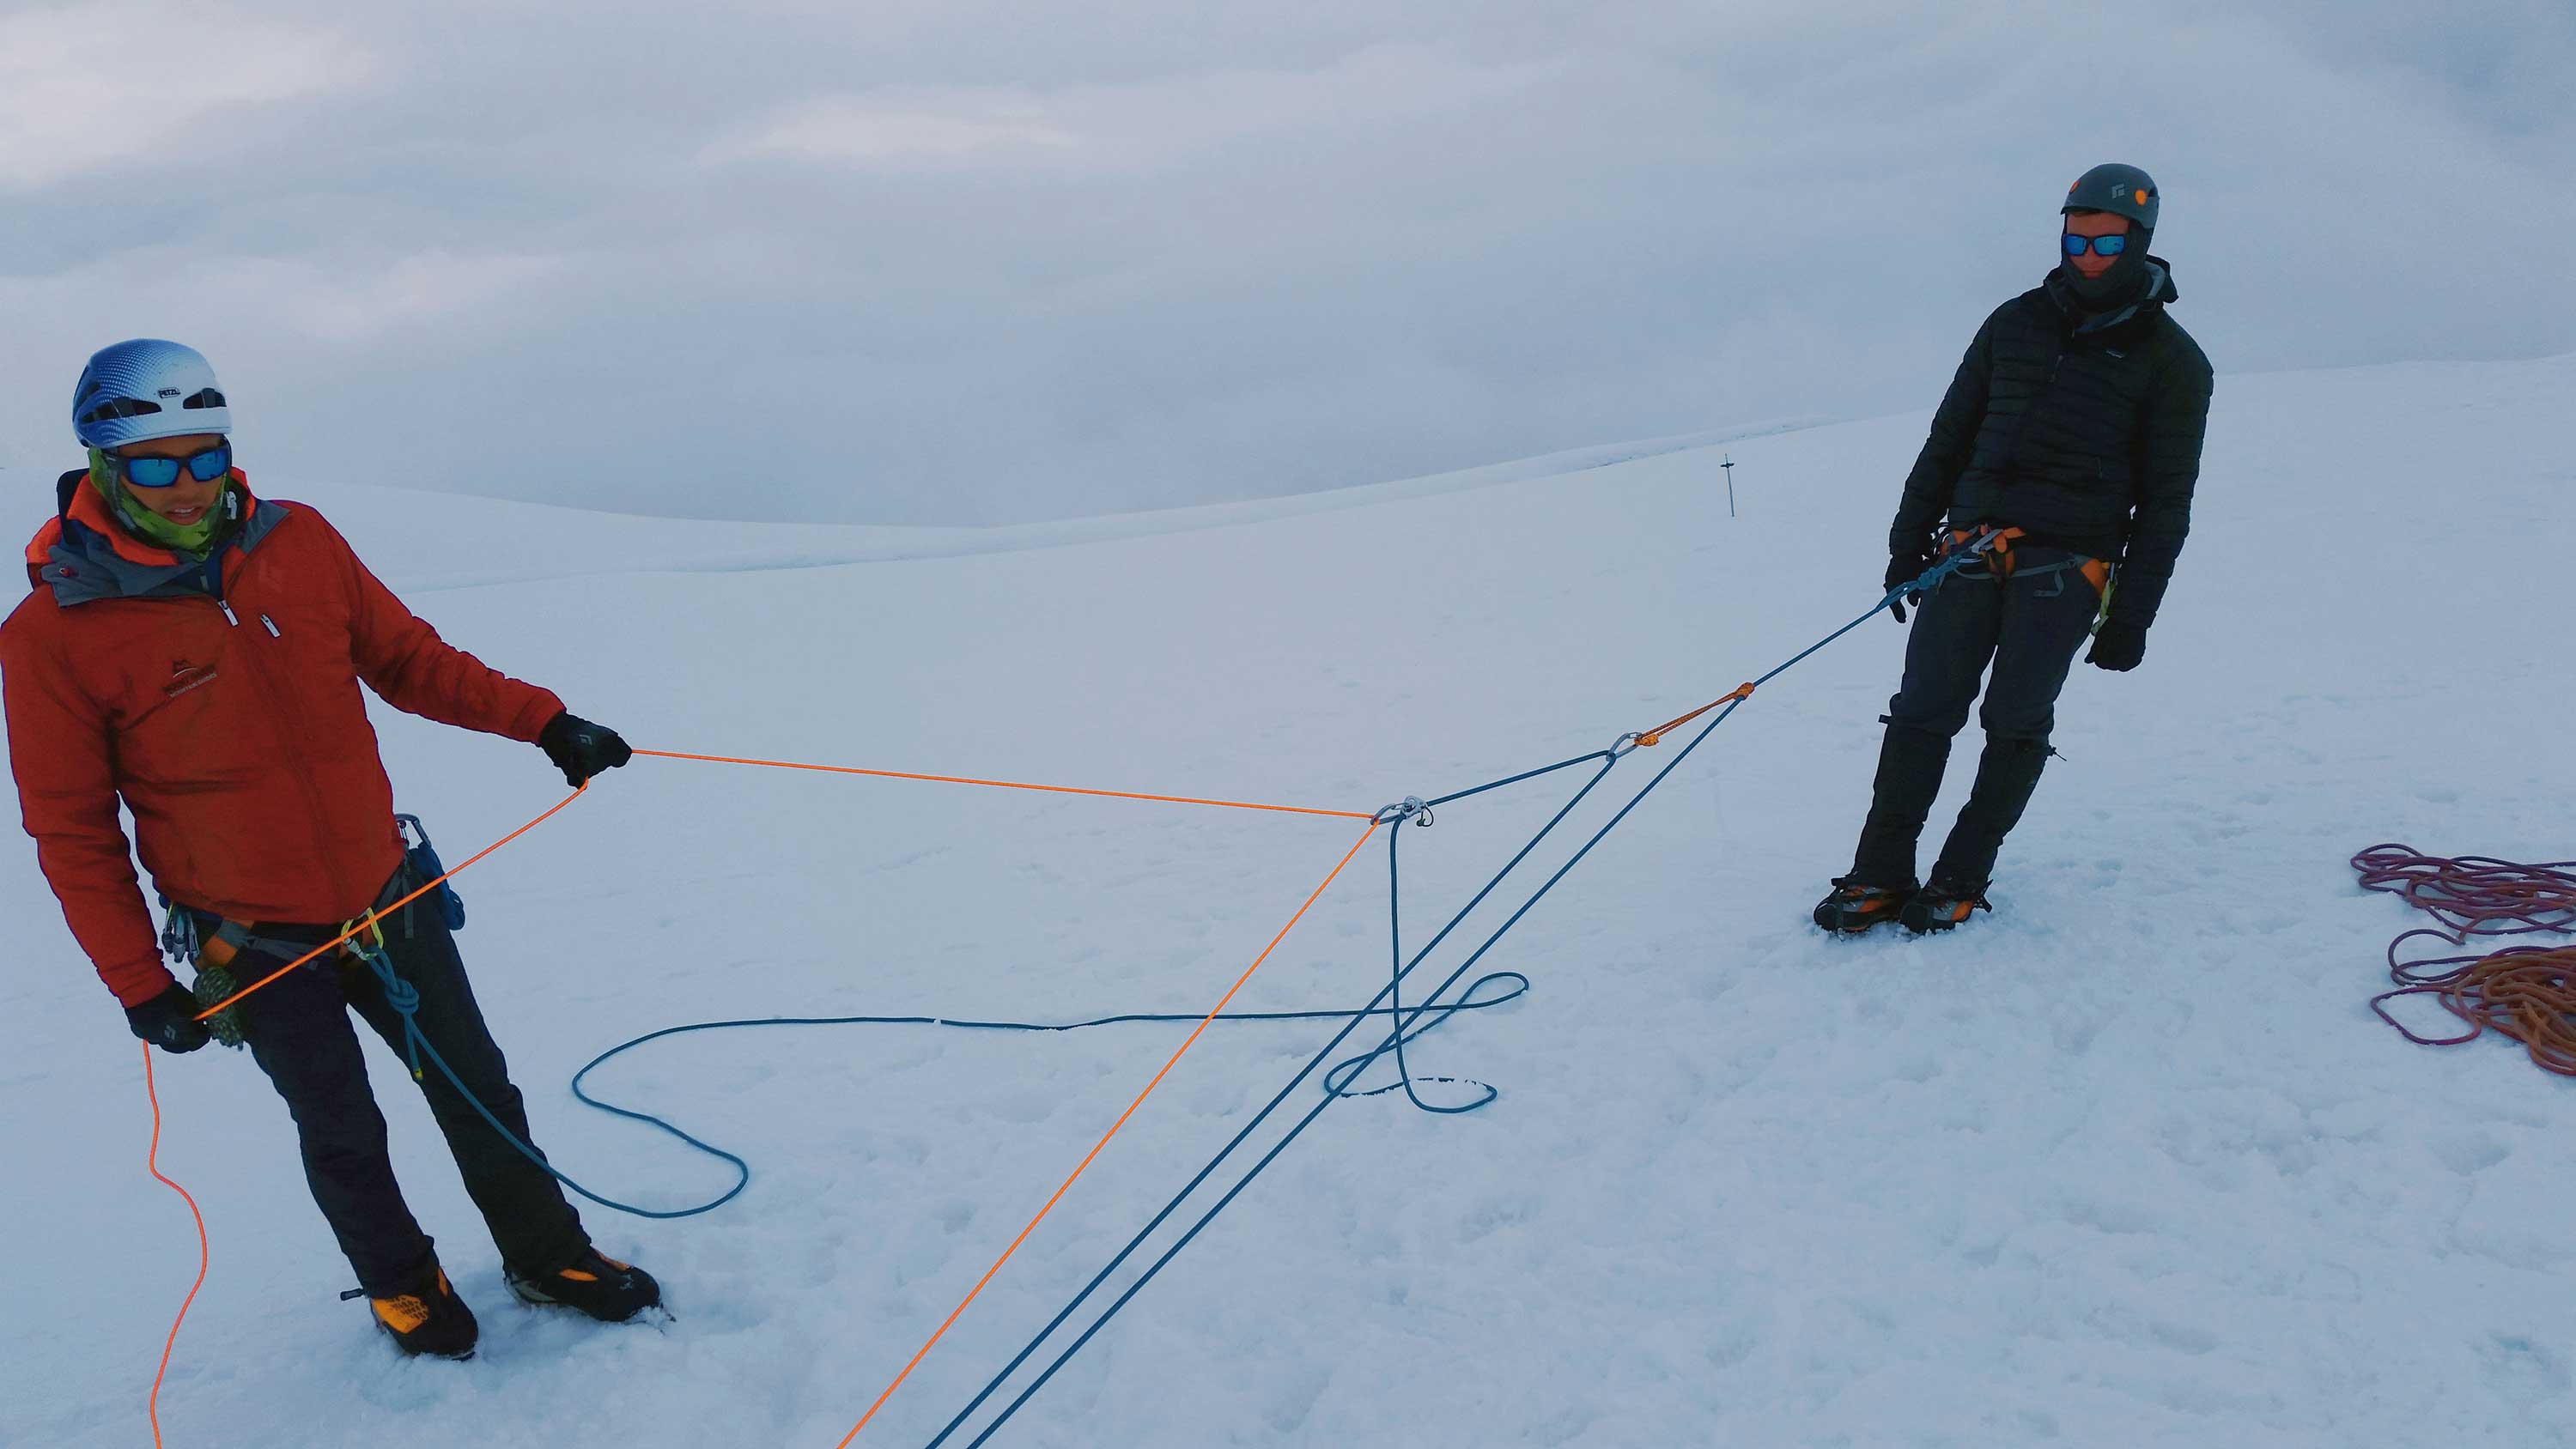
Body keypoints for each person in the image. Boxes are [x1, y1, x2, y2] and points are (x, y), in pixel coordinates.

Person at [3, 339, 654, 1360]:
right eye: (155, 463)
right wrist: (138, 984)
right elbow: (71, 827)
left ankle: (548, 1252)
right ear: (102, 463)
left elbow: (406, 658)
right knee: (342, 1128)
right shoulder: (52, 632)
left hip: (386, 890)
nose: (187, 485)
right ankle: (402, 1283)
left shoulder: (297, 541)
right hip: (251, 940)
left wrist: (543, 721)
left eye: (204, 455)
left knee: (477, 1084)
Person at [1814, 164, 2215, 936]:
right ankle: (1878, 874)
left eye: (2107, 240)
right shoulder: (2014, 322)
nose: (2089, 254)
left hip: (2068, 571)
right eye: (2076, 237)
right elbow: (1948, 439)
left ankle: (1962, 873)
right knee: (1922, 713)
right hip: (1965, 551)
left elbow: (2167, 505)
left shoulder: (2173, 361)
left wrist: (2132, 615)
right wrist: (1906, 548)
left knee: (2014, 721)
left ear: (2140, 243)